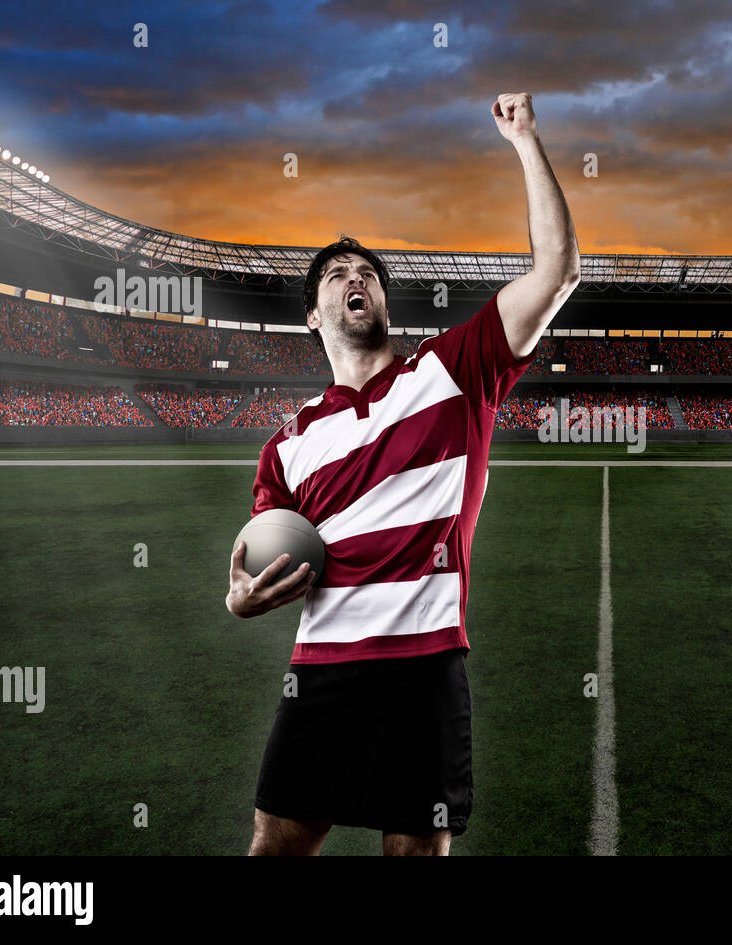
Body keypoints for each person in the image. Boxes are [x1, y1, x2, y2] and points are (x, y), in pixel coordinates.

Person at [225, 92, 578, 855]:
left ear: (381, 298)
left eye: (368, 273)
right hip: (319, 668)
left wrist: (525, 140)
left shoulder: (451, 369)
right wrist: (241, 596)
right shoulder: (286, 444)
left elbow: (556, 271)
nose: (357, 277)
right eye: (338, 274)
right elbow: (266, 555)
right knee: (276, 839)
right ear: (315, 315)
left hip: (423, 661)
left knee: (414, 851)